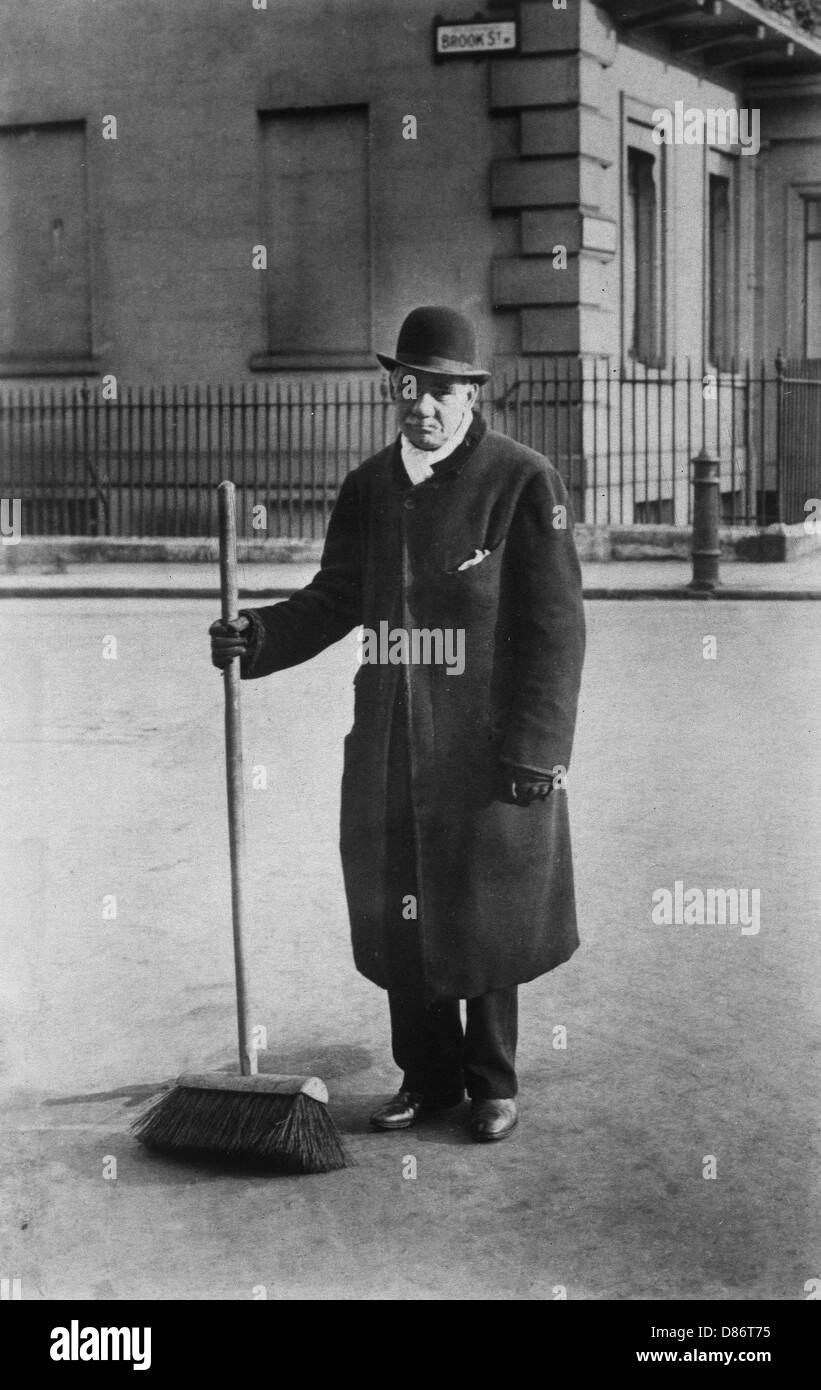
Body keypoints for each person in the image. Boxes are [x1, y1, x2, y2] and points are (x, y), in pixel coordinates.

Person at [210, 306, 585, 1142]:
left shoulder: (522, 482)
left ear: (469, 395)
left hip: (484, 743)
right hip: (387, 738)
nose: (423, 403)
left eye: (442, 389)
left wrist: (537, 748)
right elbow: (336, 596)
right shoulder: (370, 487)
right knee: (400, 909)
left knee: (483, 911)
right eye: (409, 386)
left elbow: (554, 628)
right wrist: (259, 635)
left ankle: (491, 1082)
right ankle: (426, 1077)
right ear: (395, 391)